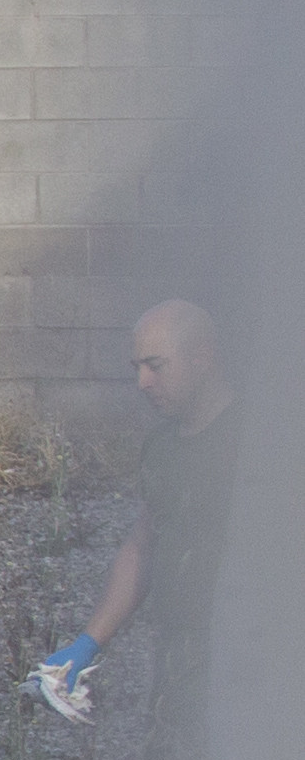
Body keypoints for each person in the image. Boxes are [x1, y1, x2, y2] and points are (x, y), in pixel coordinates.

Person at [34, 297, 242, 728]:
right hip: (177, 666)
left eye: (156, 366)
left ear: (202, 357)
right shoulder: (162, 448)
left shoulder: (256, 441)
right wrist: (87, 643)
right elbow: (143, 547)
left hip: (246, 667)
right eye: (137, 368)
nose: (143, 383)